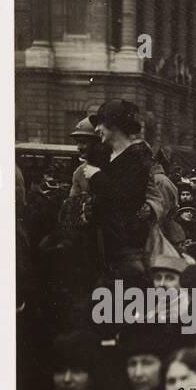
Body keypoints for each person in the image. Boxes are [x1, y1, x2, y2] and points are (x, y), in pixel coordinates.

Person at [83, 99, 153, 278]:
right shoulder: (107, 155)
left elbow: (129, 199)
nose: (97, 129)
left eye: (100, 124)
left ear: (113, 125)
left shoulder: (136, 157)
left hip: (125, 248)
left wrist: (96, 176)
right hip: (105, 243)